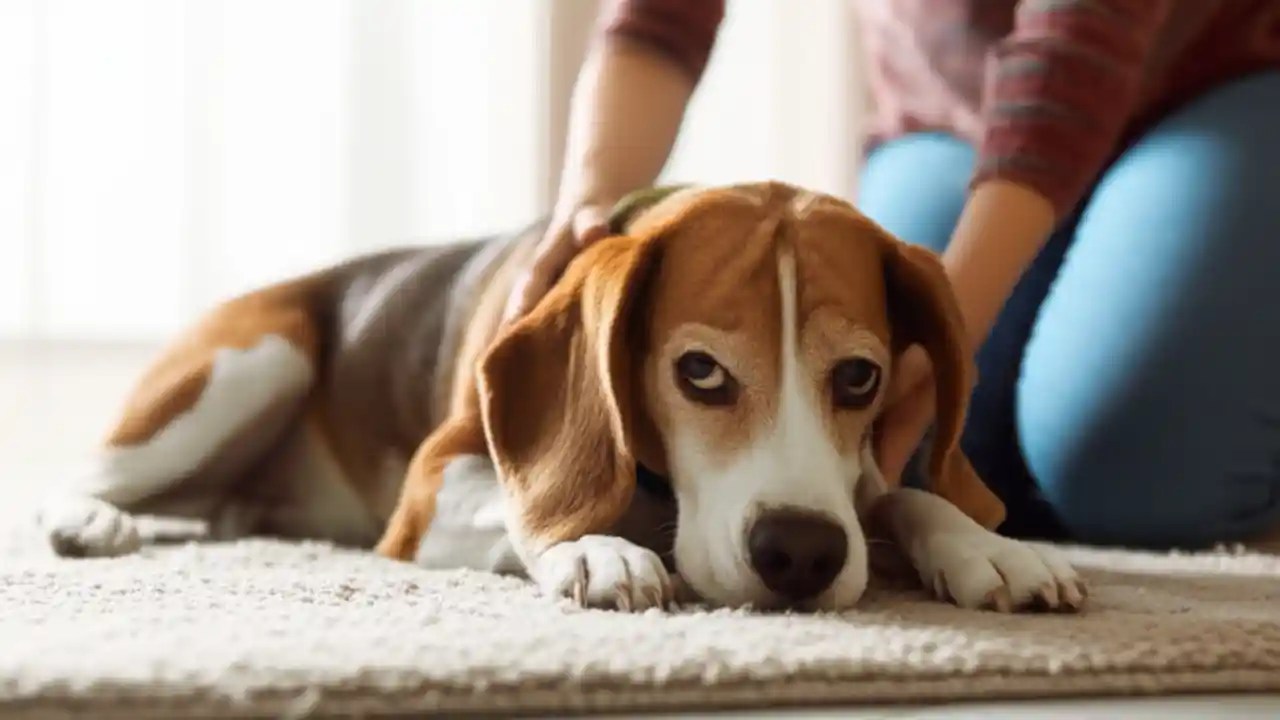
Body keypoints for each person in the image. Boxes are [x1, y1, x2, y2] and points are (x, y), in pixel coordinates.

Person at [505, 0, 1280, 549]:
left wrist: (952, 334)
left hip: (1220, 86)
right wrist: (589, 205)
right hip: (948, 120)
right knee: (924, 462)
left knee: (1132, 467)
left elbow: (1077, 45)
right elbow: (658, 19)